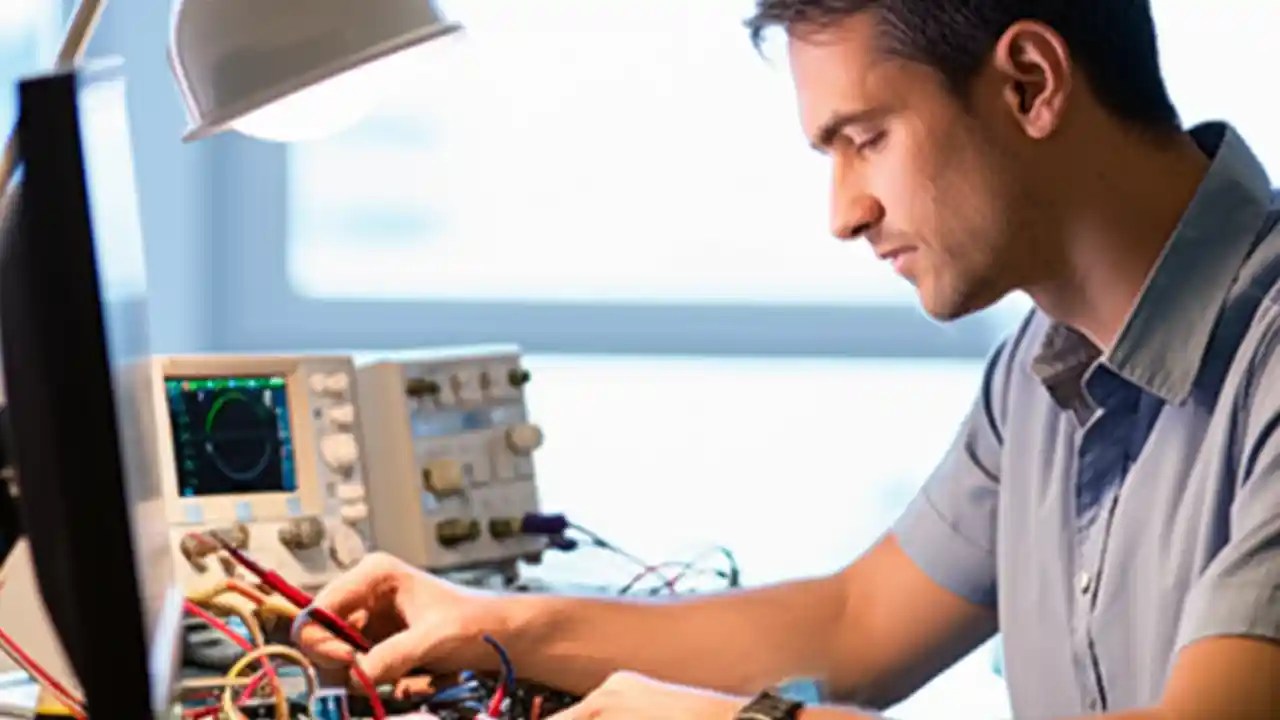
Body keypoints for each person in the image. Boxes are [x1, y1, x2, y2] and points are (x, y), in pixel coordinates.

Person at [299, 1, 1280, 718]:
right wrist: (505, 629)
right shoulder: (1038, 370)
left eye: (864, 140)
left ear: (1028, 83)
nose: (843, 213)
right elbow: (853, 627)